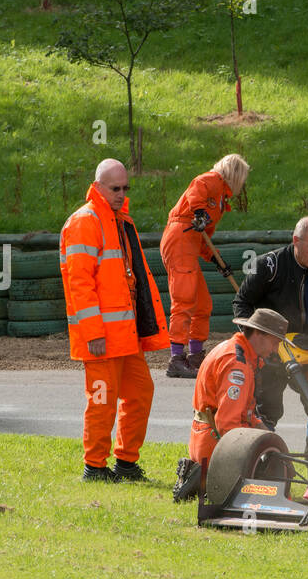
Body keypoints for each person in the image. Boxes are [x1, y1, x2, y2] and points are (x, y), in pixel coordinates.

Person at [59, 158, 170, 482]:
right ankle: (94, 467)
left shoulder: (120, 221)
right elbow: (80, 284)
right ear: (98, 186)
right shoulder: (86, 221)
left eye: (125, 188)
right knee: (101, 402)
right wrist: (93, 333)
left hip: (124, 336)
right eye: (115, 188)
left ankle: (125, 463)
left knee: (139, 393)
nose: (121, 194)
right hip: (101, 338)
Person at [231, 216, 308, 459]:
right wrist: (256, 342)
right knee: (266, 412)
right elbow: (242, 304)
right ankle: (263, 466)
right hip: (270, 351)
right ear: (296, 241)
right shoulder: (269, 266)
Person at [173, 308, 290, 502]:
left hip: (207, 438)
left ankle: (201, 478)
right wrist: (258, 452)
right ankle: (207, 480)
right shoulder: (238, 365)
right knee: (271, 491)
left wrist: (267, 435)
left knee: (273, 452)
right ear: (260, 334)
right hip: (216, 445)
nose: (275, 349)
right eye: (275, 342)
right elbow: (229, 426)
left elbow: (243, 413)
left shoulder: (233, 349)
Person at [160, 153, 250, 378]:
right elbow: (196, 189)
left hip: (190, 242)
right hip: (180, 238)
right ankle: (176, 358)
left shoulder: (220, 201)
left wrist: (216, 260)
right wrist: (199, 213)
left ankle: (195, 356)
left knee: (203, 305)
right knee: (184, 299)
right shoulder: (212, 181)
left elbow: (203, 238)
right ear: (235, 174)